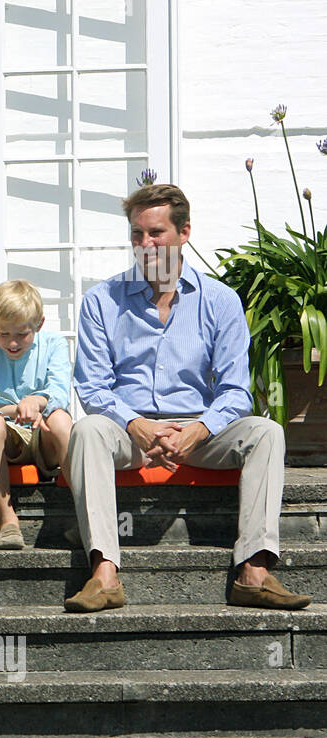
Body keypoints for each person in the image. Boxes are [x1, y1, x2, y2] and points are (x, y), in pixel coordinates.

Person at [66, 182, 310, 612]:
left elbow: (235, 390)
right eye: (137, 235)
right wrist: (136, 425)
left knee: (266, 432)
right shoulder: (101, 300)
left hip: (198, 430)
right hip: (128, 432)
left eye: (156, 233)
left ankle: (253, 571)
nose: (145, 244)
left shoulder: (220, 300)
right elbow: (92, 386)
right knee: (87, 430)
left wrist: (199, 429)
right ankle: (104, 573)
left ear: (184, 232)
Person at [0, 279, 73, 549]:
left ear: (39, 324)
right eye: (3, 334)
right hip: (7, 440)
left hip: (45, 436)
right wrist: (18, 408)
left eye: (22, 334)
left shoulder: (54, 344)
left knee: (61, 419)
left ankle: (78, 511)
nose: (12, 343)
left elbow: (60, 392)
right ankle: (7, 519)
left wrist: (37, 401)